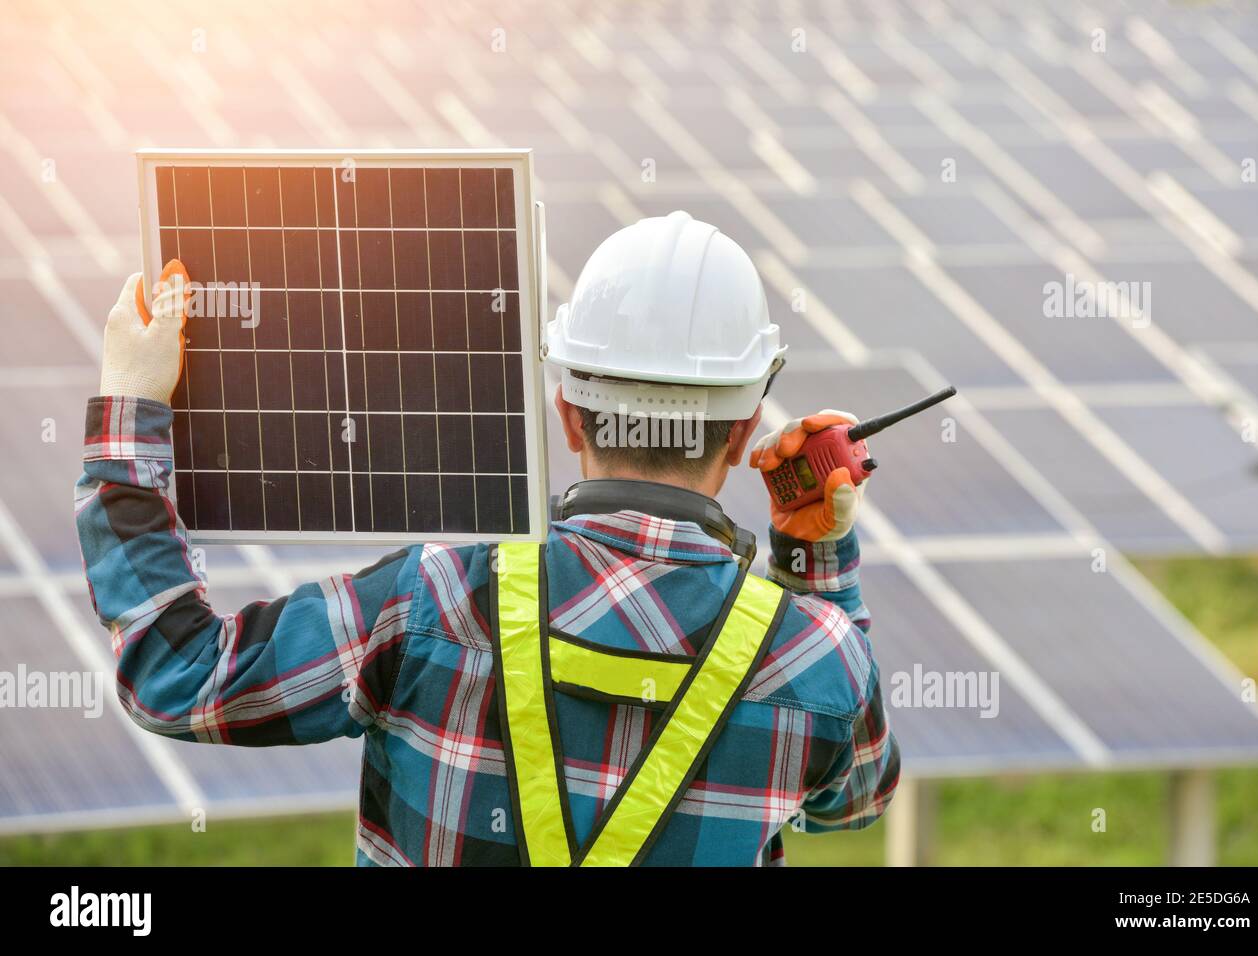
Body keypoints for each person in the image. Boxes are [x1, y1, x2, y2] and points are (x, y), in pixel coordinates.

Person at [76, 210, 899, 866]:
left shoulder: (430, 598)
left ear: (566, 410)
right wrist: (814, 557)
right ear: (747, 424)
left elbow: (176, 675)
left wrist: (128, 413)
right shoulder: (816, 660)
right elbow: (858, 798)